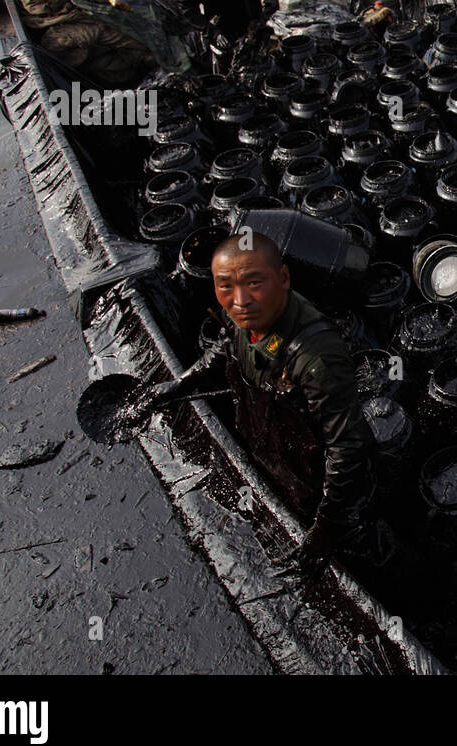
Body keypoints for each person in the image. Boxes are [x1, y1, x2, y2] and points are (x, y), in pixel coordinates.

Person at [137, 230, 375, 575]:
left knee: (351, 552)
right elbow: (224, 351)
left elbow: (347, 450)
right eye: (226, 286)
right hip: (277, 458)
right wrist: (180, 384)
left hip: (326, 482)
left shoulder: (316, 357)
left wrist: (324, 531)